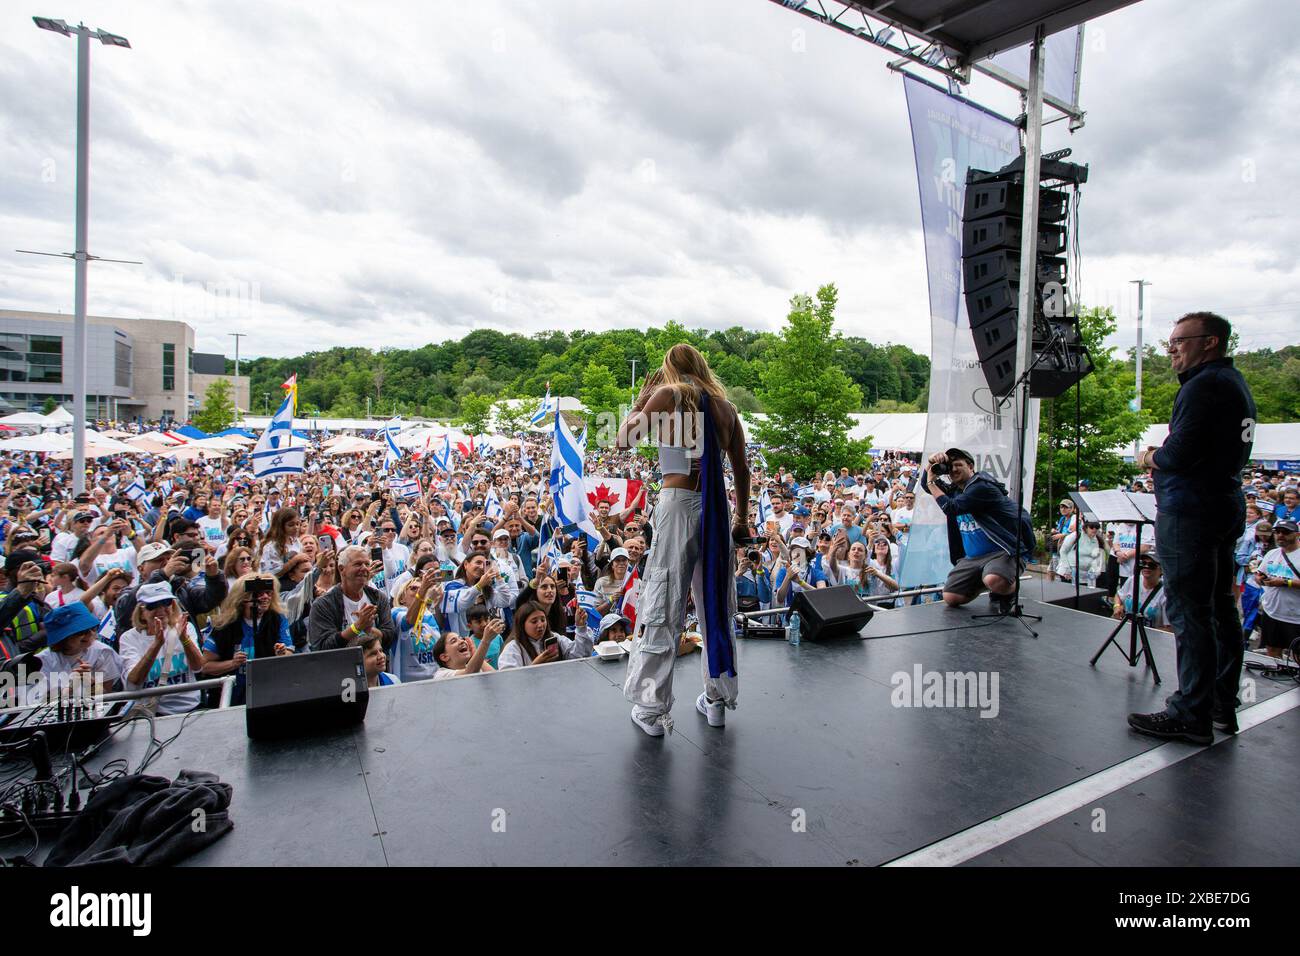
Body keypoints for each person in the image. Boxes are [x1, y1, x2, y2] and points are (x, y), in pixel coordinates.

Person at [1127, 312, 1257, 743]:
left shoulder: (1204, 386)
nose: (1172, 351)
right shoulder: (1233, 384)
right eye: (1170, 343)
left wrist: (1149, 457)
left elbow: (1177, 454)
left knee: (1190, 612)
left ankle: (1190, 713)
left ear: (1210, 342)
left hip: (1192, 511)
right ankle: (1220, 704)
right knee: (1221, 609)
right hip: (1221, 503)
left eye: (1180, 341)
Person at [616, 344, 749, 735]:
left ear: (669, 369)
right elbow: (741, 467)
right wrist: (741, 517)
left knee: (664, 601)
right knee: (715, 605)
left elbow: (624, 440)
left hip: (678, 503)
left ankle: (651, 709)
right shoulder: (726, 409)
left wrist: (641, 400)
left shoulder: (669, 395)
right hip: (716, 510)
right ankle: (717, 700)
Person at [919, 448, 1034, 613]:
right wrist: (930, 464)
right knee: (951, 597)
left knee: (995, 580)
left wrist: (932, 482)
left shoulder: (981, 486)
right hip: (973, 557)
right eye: (950, 467)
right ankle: (990, 582)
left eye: (958, 465)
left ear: (971, 466)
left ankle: (1006, 590)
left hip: (1003, 550)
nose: (954, 470)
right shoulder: (956, 490)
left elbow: (951, 507)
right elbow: (926, 485)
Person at [203, 573, 294, 706]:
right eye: (258, 593)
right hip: (232, 697)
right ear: (243, 597)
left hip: (267, 693)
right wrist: (232, 664)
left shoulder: (277, 619)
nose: (265, 597)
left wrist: (281, 653)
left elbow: (289, 652)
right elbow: (205, 666)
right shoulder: (226, 625)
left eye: (269, 592)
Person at [118, 582, 206, 714]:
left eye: (166, 603)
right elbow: (133, 682)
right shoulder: (129, 638)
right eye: (152, 605)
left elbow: (198, 667)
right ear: (141, 612)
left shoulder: (184, 628)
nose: (160, 610)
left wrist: (184, 639)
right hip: (153, 713)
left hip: (191, 709)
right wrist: (156, 645)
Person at [308, 545, 397, 652]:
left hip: (374, 667)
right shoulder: (324, 604)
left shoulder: (378, 598)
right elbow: (322, 647)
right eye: (358, 564)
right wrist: (357, 627)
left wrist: (368, 628)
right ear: (341, 569)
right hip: (340, 666)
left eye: (367, 564)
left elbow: (390, 638)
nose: (364, 568)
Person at [34, 602, 124, 700]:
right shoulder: (42, 660)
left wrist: (91, 683)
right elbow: (39, 700)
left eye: (92, 628)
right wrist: (69, 689)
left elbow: (107, 696)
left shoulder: (103, 652)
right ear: (63, 637)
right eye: (82, 632)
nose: (90, 634)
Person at [1253, 519, 1300, 660]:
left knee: (1298, 656)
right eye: (1277, 532)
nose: (1280, 535)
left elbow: (1285, 582)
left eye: (1285, 532)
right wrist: (1259, 579)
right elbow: (1259, 573)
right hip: (1272, 613)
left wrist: (1285, 582)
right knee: (1272, 652)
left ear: (1297, 534)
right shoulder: (1272, 553)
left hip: (1296, 617)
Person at [496, 600, 592, 669]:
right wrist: (535, 666)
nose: (540, 625)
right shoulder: (513, 648)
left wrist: (581, 627)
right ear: (522, 624)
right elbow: (509, 680)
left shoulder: (555, 638)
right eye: (534, 621)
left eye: (543, 619)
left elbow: (581, 655)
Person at [1112, 556, 1169, 631]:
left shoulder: (1165, 593)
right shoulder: (1133, 580)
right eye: (1143, 563)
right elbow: (1118, 596)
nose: (1146, 567)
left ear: (1161, 570)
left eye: (1152, 565)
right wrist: (1117, 606)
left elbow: (1169, 628)